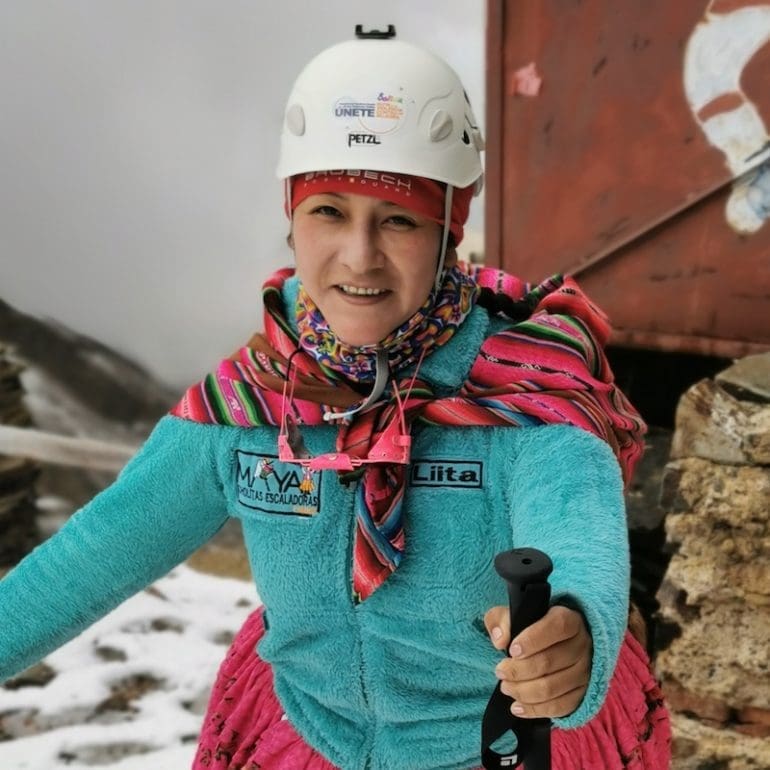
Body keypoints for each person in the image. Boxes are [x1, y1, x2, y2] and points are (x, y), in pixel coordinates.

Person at [0, 28, 671, 770]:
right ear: (290, 213)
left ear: (449, 230)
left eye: (399, 220)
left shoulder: (526, 394)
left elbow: (579, 530)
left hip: (499, 751)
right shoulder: (250, 404)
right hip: (303, 738)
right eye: (328, 211)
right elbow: (94, 556)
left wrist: (573, 632)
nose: (359, 257)